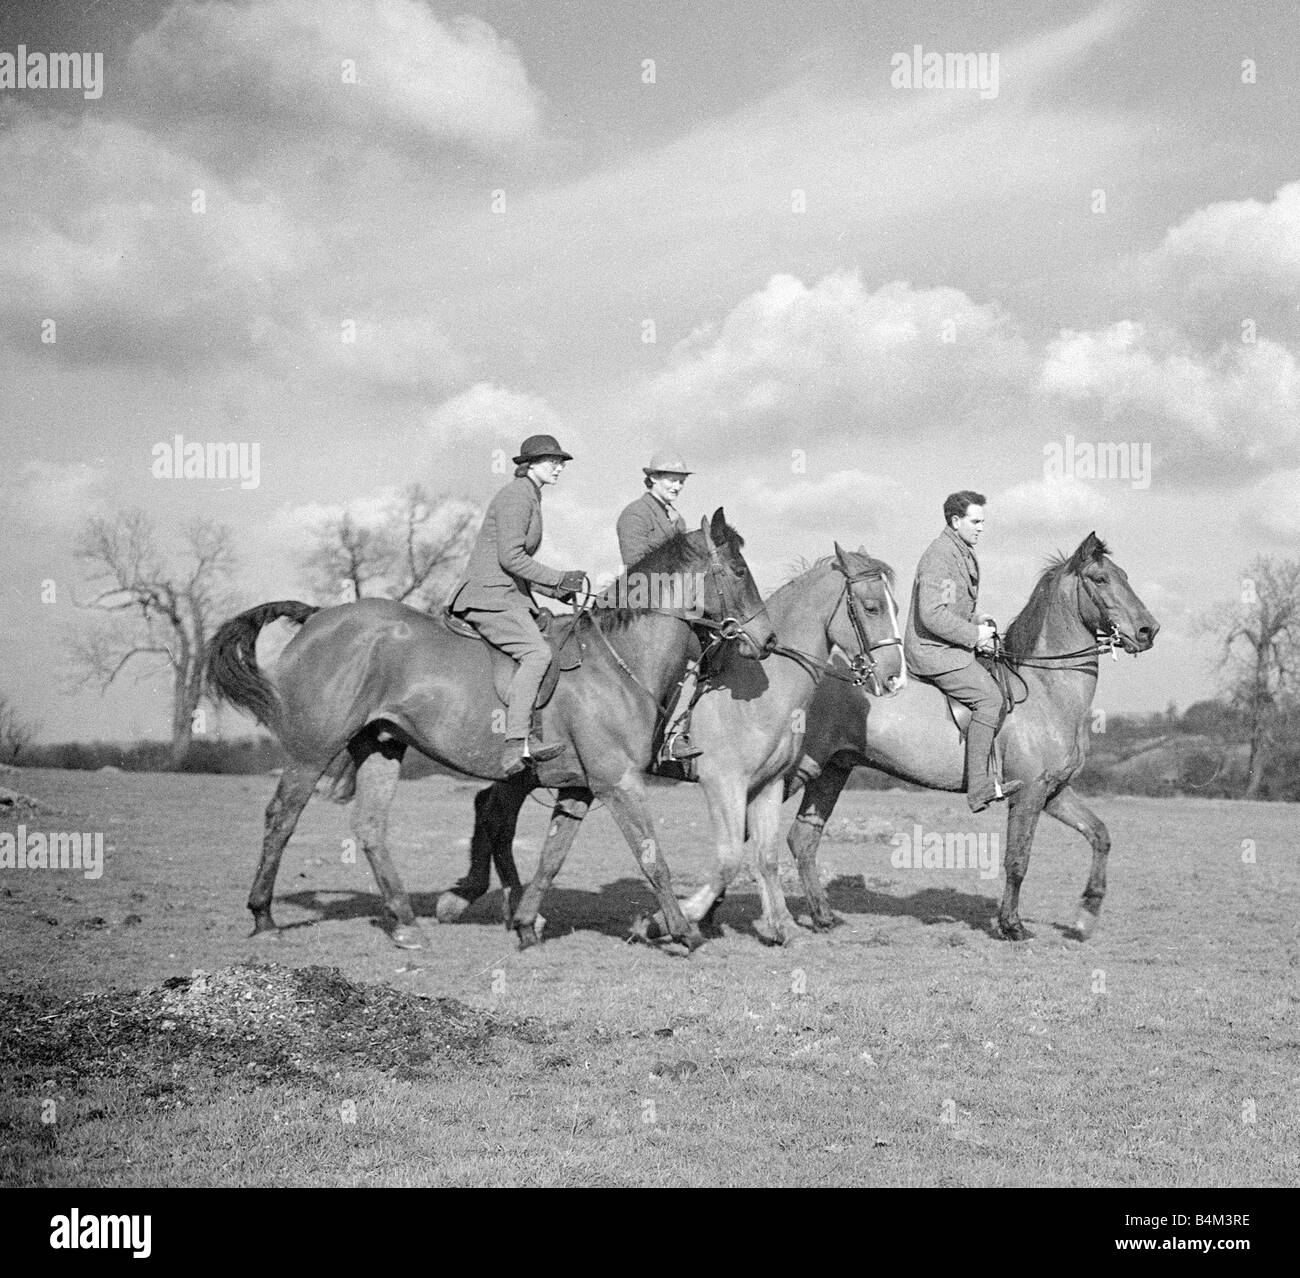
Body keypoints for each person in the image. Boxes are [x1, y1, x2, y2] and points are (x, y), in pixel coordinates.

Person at [448, 434, 587, 776]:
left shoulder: (530, 496)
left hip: (508, 593)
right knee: (537, 654)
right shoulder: (517, 496)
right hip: (488, 595)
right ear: (531, 464)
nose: (559, 467)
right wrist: (557, 577)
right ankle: (515, 744)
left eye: (561, 462)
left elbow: (516, 562)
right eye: (552, 461)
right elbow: (510, 557)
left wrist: (555, 592)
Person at [903, 490, 1023, 812]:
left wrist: (976, 620)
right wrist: (974, 636)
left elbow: (949, 608)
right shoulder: (940, 556)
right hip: (932, 651)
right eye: (975, 521)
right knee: (990, 698)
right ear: (955, 521)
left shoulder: (960, 550)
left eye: (983, 521)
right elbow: (931, 614)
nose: (981, 528)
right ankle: (979, 787)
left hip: (949, 644)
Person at [616, 450, 703, 763]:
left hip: (673, 611)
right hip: (641, 605)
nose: (677, 486)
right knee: (689, 660)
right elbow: (637, 567)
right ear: (652, 478)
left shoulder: (677, 520)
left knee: (702, 657)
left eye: (681, 481)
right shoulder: (635, 514)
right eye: (670, 479)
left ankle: (675, 735)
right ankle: (657, 734)